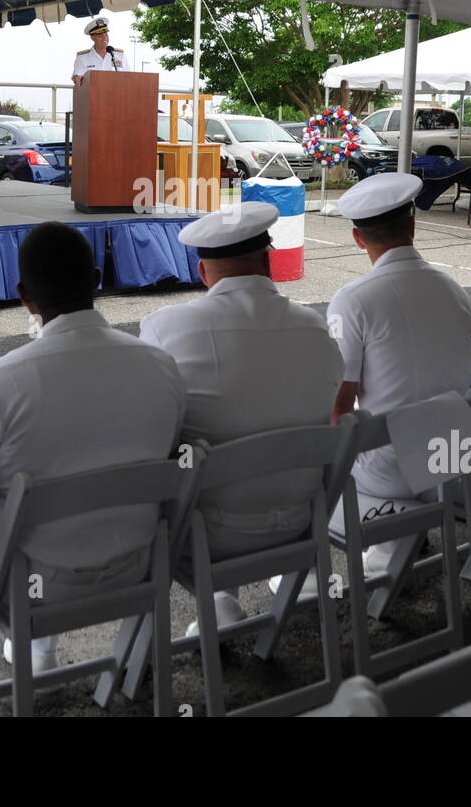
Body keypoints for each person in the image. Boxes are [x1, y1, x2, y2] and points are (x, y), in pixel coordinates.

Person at [0, 222, 185, 705]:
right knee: (44, 490)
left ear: (24, 296)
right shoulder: (160, 365)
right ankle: (39, 653)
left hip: (33, 588)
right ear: (97, 278)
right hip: (137, 568)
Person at [139, 203, 342, 633]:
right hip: (302, 522)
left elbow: (154, 432)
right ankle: (224, 600)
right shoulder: (315, 327)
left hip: (205, 536)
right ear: (268, 260)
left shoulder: (166, 328)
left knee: (176, 449)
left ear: (202, 273)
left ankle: (217, 600)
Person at [324, 173, 471, 568]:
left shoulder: (353, 299)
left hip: (394, 468)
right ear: (413, 225)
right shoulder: (453, 287)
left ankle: (389, 542)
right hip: (458, 456)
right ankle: (400, 541)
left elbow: (339, 406)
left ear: (359, 239)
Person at [71, 17, 127, 86]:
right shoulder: (82, 58)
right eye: (100, 35)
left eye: (106, 34)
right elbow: (78, 80)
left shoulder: (120, 55)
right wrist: (78, 79)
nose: (104, 38)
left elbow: (129, 78)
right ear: (92, 38)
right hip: (92, 95)